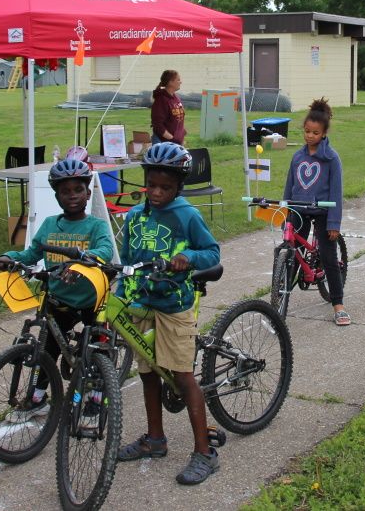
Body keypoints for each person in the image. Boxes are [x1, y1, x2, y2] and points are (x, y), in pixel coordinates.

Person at [115, 142, 221, 485]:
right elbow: (127, 262)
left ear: (179, 187)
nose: (157, 193)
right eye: (152, 185)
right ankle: (155, 439)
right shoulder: (134, 217)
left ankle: (204, 452)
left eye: (166, 187)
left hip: (174, 306)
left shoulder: (186, 215)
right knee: (147, 372)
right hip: (141, 304)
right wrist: (120, 296)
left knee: (182, 375)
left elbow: (212, 252)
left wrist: (188, 258)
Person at [0, 157, 114, 419]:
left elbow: (104, 250)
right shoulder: (49, 225)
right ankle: (37, 398)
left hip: (91, 298)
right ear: (57, 196)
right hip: (58, 298)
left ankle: (95, 397)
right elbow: (32, 253)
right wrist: (10, 258)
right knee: (48, 349)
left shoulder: (96, 225)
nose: (72, 196)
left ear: (87, 192)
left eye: (78, 190)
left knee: (96, 348)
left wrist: (85, 256)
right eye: (65, 191)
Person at [283, 98, 348, 326]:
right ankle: (279, 299)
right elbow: (289, 186)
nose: (310, 136)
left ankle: (338, 304)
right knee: (289, 252)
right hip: (299, 210)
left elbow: (336, 192)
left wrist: (334, 223)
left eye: (315, 132)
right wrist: (286, 214)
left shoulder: (331, 159)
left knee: (329, 256)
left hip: (323, 212)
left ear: (324, 133)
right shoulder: (297, 157)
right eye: (307, 131)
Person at [150, 69, 186, 145]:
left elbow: (179, 119)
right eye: (178, 80)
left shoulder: (176, 98)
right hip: (163, 143)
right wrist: (172, 139)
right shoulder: (161, 100)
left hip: (175, 143)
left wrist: (181, 135)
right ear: (170, 82)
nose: (181, 82)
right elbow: (158, 125)